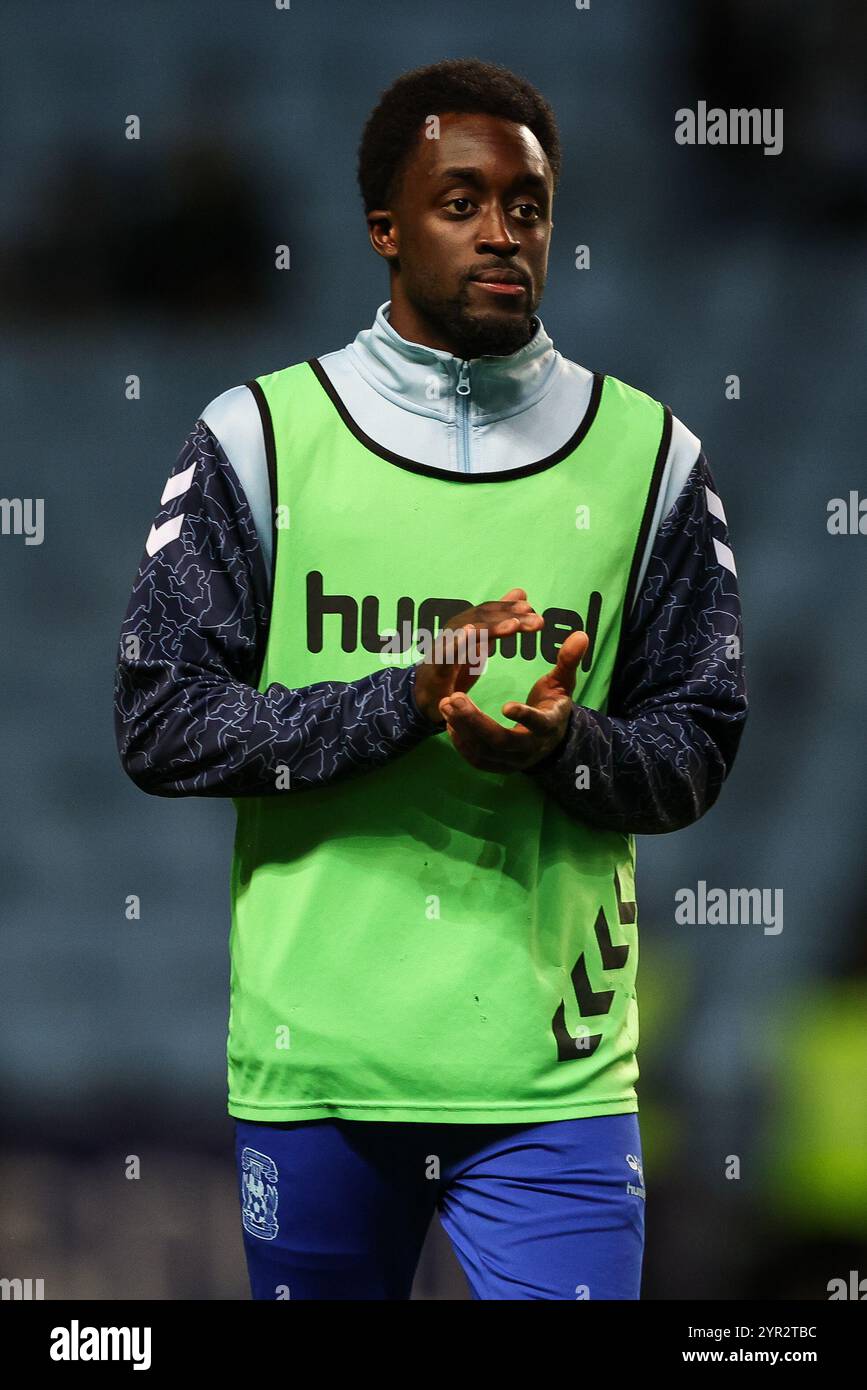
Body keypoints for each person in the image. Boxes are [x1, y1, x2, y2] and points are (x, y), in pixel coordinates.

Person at [114, 58, 748, 1300]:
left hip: (552, 1090)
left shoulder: (652, 459)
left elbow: (699, 749)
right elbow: (157, 721)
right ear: (385, 229)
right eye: (463, 203)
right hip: (319, 1076)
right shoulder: (260, 439)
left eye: (530, 205)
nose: (506, 233)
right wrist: (398, 701)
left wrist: (566, 750)